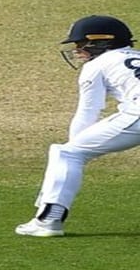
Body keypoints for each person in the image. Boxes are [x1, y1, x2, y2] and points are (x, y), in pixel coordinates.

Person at [16, 15, 140, 237]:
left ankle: (49, 220)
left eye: (81, 44)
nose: (78, 50)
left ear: (101, 42)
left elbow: (88, 112)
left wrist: (75, 150)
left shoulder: (97, 65)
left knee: (66, 153)